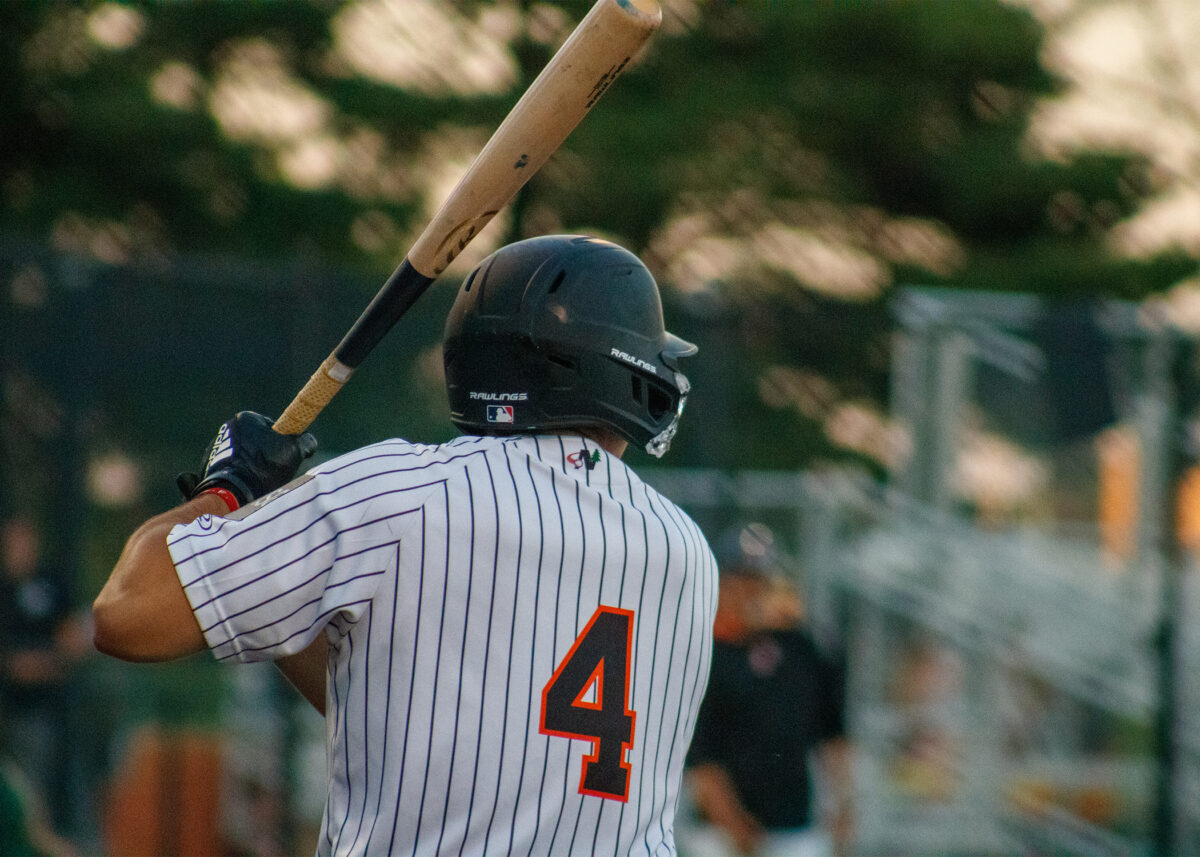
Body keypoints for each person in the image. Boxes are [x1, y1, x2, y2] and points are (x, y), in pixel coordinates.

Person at [93, 234, 718, 856]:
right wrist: (279, 573)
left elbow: (126, 617)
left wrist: (228, 493)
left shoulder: (398, 495)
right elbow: (398, 700)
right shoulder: (685, 551)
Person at [681, 523, 852, 857]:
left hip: (794, 830)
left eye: (759, 578)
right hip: (718, 837)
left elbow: (833, 734)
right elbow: (701, 759)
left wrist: (844, 804)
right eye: (742, 578)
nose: (751, 589)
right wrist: (733, 824)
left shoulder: (803, 649)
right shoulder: (706, 652)